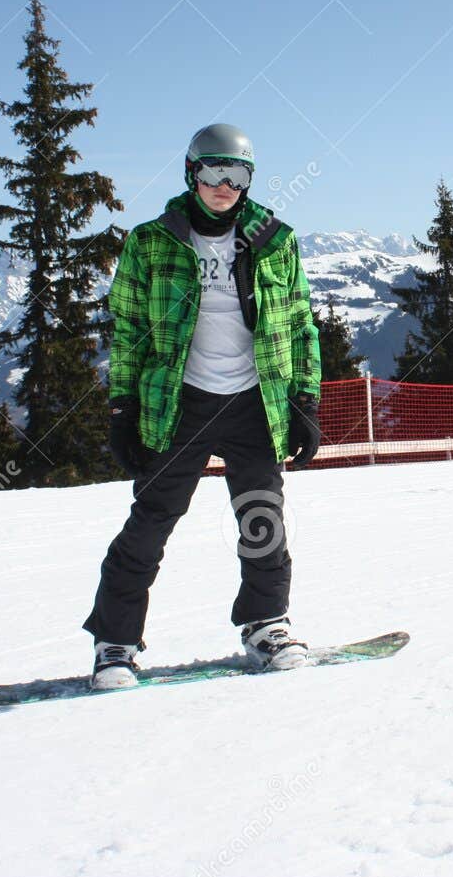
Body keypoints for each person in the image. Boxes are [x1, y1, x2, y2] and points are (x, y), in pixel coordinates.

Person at [83, 123, 322, 689]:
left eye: (235, 175)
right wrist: (122, 407)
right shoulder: (150, 240)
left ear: (249, 180)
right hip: (178, 403)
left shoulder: (275, 239)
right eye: (212, 173)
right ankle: (114, 642)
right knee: (151, 522)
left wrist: (306, 399)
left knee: (262, 520)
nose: (223, 185)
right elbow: (130, 331)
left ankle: (267, 625)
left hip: (254, 401)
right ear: (191, 175)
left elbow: (300, 322)